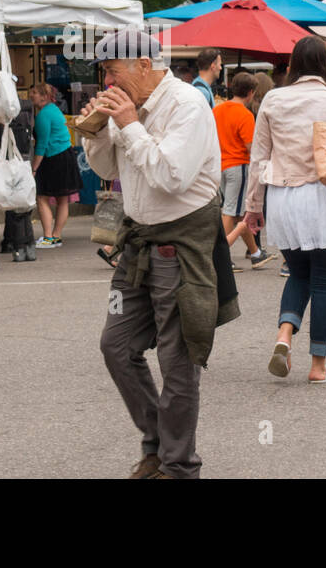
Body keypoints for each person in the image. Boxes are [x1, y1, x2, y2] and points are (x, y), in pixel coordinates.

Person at [82, 27, 238, 479]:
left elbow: (171, 177)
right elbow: (107, 167)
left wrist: (130, 125)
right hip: (138, 244)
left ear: (144, 65)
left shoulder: (187, 104)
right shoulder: (126, 105)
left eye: (113, 71)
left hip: (181, 247)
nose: (108, 82)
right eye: (105, 73)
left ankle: (177, 465)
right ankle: (158, 443)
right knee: (116, 346)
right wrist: (97, 131)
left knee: (178, 363)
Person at [243, 36, 326, 380]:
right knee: (325, 281)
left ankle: (284, 334)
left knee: (298, 273)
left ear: (293, 65)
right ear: (324, 65)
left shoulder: (272, 99)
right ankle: (318, 366)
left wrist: (253, 207)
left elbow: (258, 159)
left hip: (284, 198)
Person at [213, 71, 274, 271]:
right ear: (250, 93)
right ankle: (220, 256)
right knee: (231, 212)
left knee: (239, 212)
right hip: (238, 165)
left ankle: (255, 253)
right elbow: (251, 148)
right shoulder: (245, 115)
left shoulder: (217, 110)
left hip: (221, 164)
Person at [29, 83, 81, 255]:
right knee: (62, 199)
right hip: (66, 155)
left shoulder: (43, 115)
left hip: (53, 158)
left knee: (41, 197)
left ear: (44, 96)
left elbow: (42, 144)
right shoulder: (55, 110)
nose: (31, 95)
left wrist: (34, 168)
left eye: (34, 92)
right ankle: (56, 236)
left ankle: (48, 237)